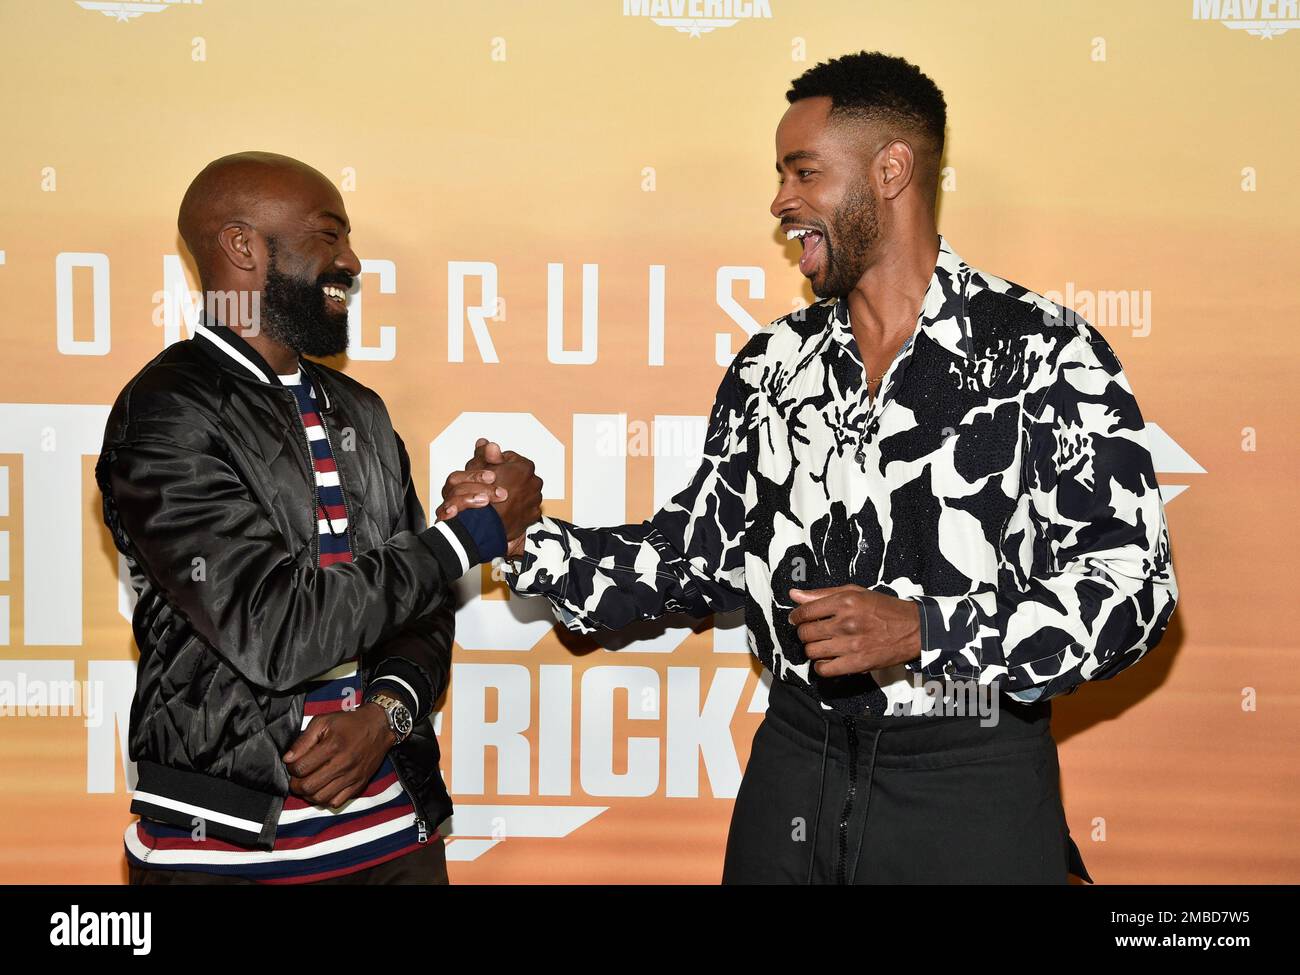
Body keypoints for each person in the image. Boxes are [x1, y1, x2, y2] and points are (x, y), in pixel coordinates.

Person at [439, 52, 1177, 884]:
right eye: (781, 175)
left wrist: (925, 628)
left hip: (969, 776)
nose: (781, 202)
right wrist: (521, 535)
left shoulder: (1043, 351)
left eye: (803, 172)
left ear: (890, 169)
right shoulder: (772, 365)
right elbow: (693, 554)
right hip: (795, 765)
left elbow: (1134, 591)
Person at [96, 152, 541, 884]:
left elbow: (420, 608)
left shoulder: (359, 410)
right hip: (222, 854)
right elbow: (278, 628)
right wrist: (471, 536)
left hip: (397, 840)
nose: (351, 260)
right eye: (327, 237)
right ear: (243, 247)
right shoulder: (165, 413)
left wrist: (385, 715)